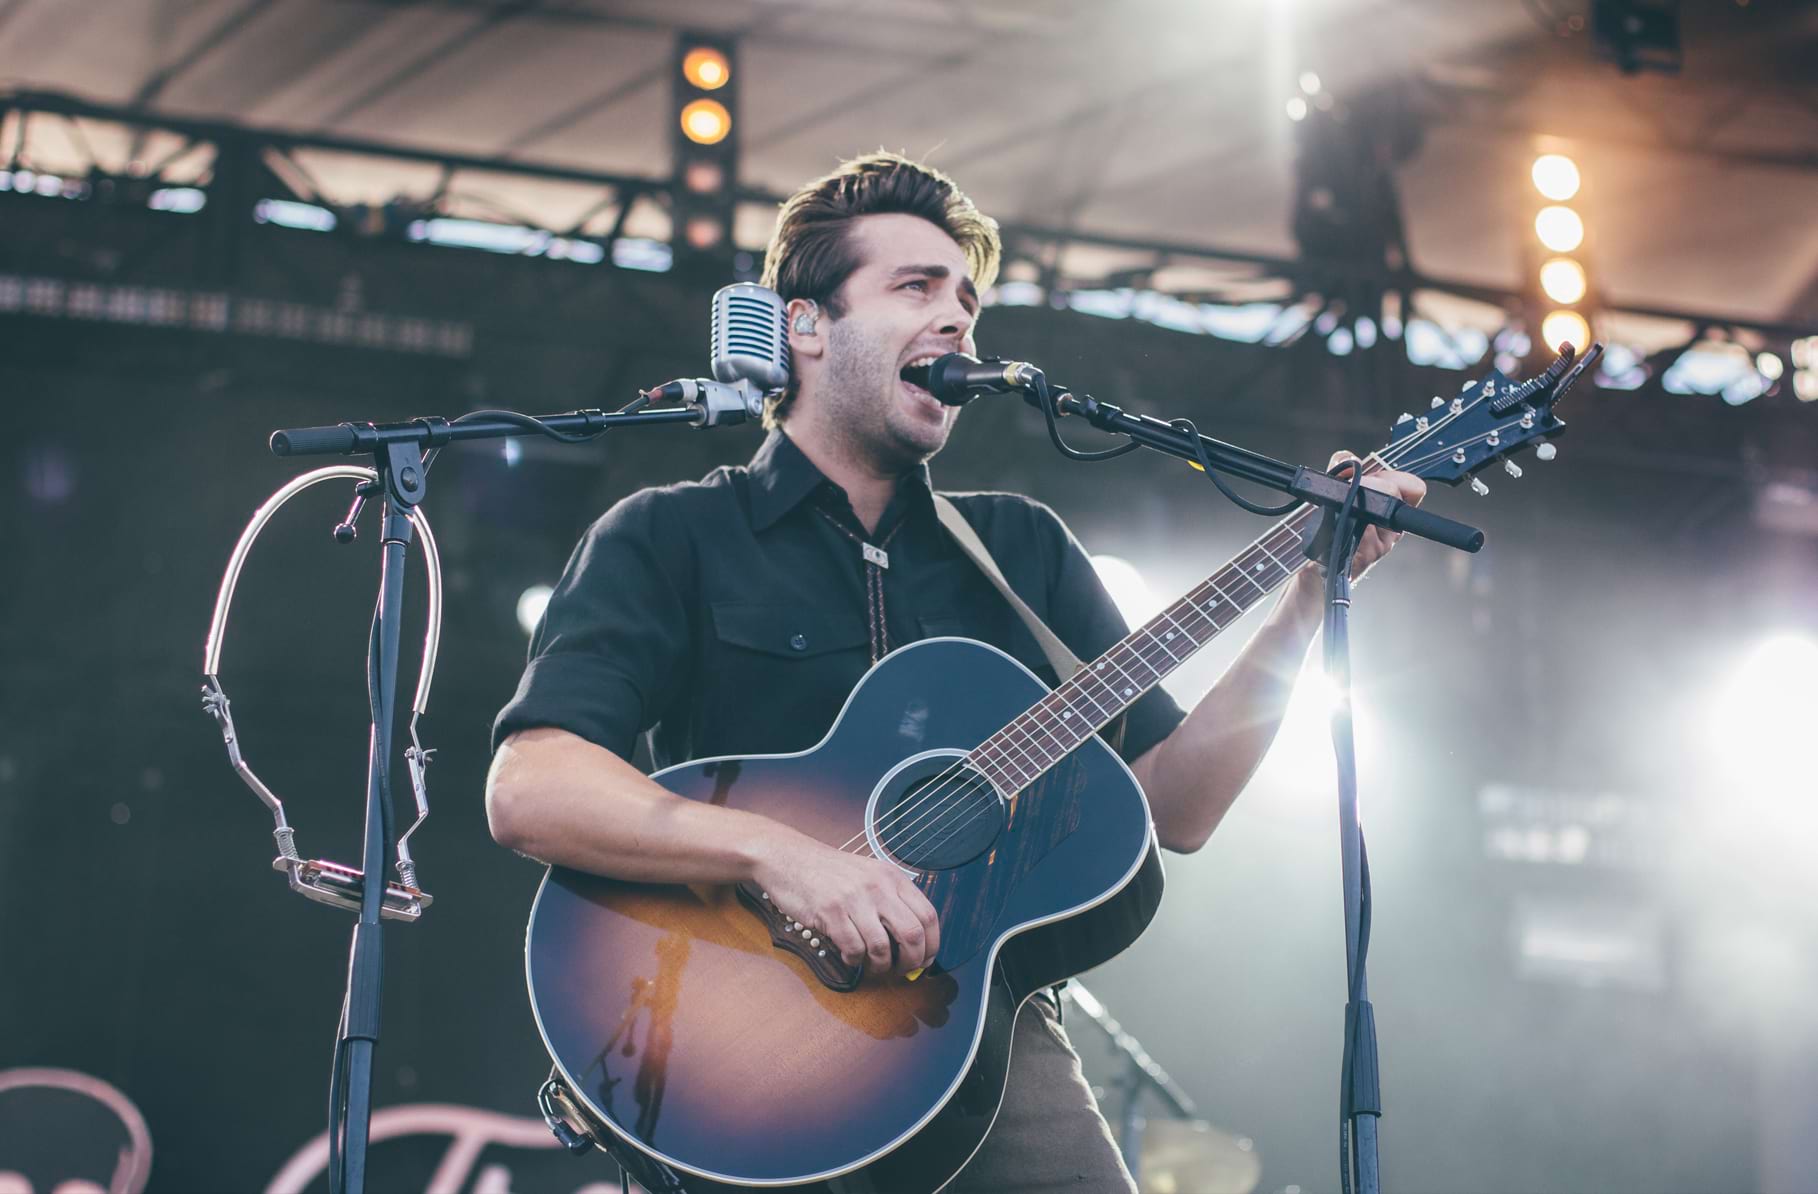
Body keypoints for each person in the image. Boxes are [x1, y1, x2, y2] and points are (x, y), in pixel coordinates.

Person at [487, 152, 1425, 1192]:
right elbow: (532, 788)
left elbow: (1177, 805)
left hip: (982, 1028)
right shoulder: (674, 534)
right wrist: (780, 856)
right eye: (916, 287)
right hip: (729, 1030)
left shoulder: (1020, 551)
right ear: (806, 326)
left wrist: (1305, 601)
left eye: (968, 303)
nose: (956, 322)